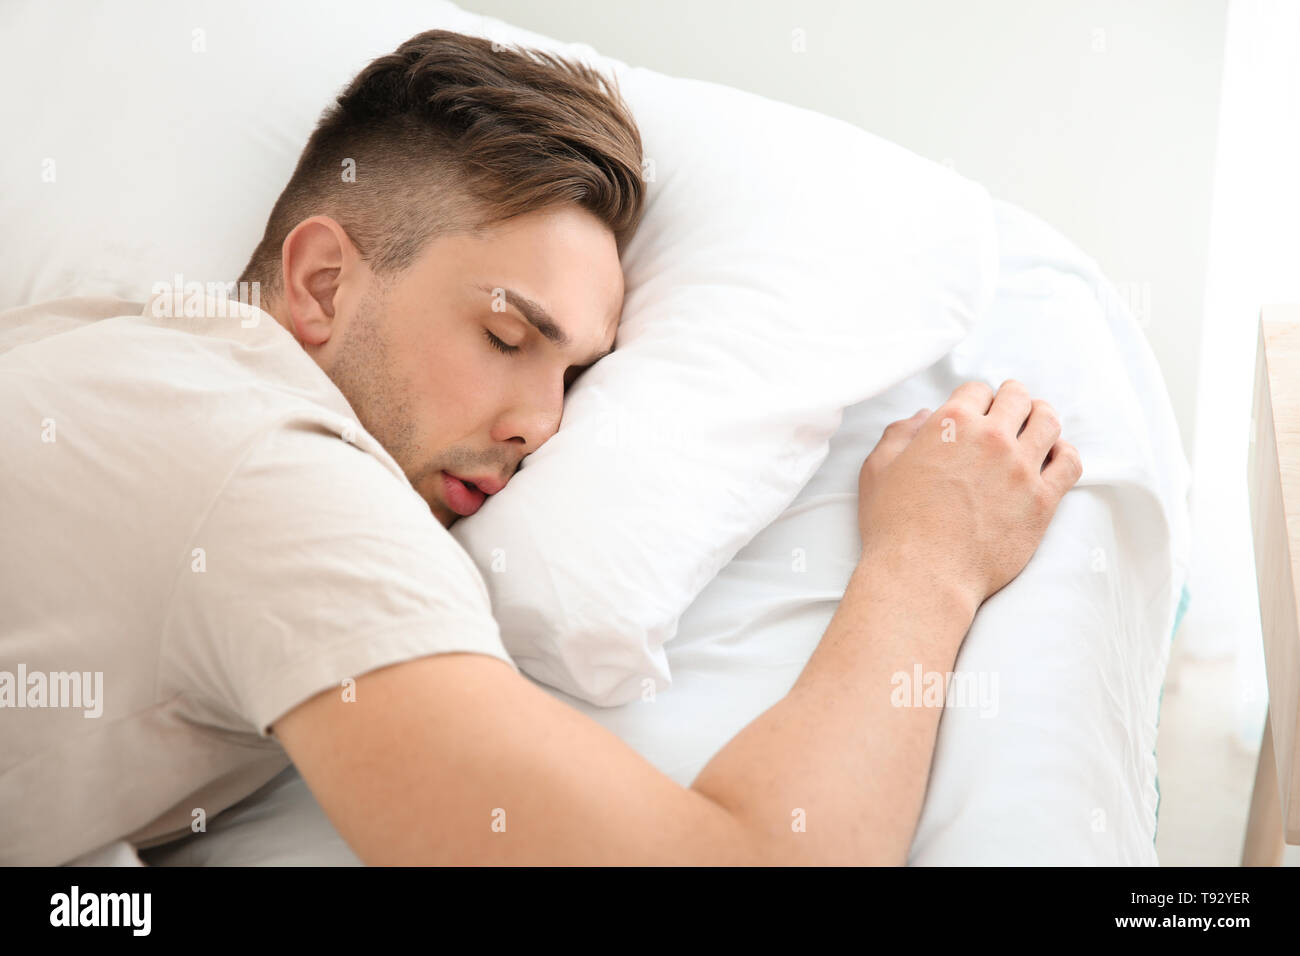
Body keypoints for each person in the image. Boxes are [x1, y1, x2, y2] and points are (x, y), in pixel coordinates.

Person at [0, 29, 1080, 866]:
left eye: (573, 376)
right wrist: (927, 564)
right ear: (322, 282)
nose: (542, 425)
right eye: (505, 337)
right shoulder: (282, 485)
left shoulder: (96, 345)